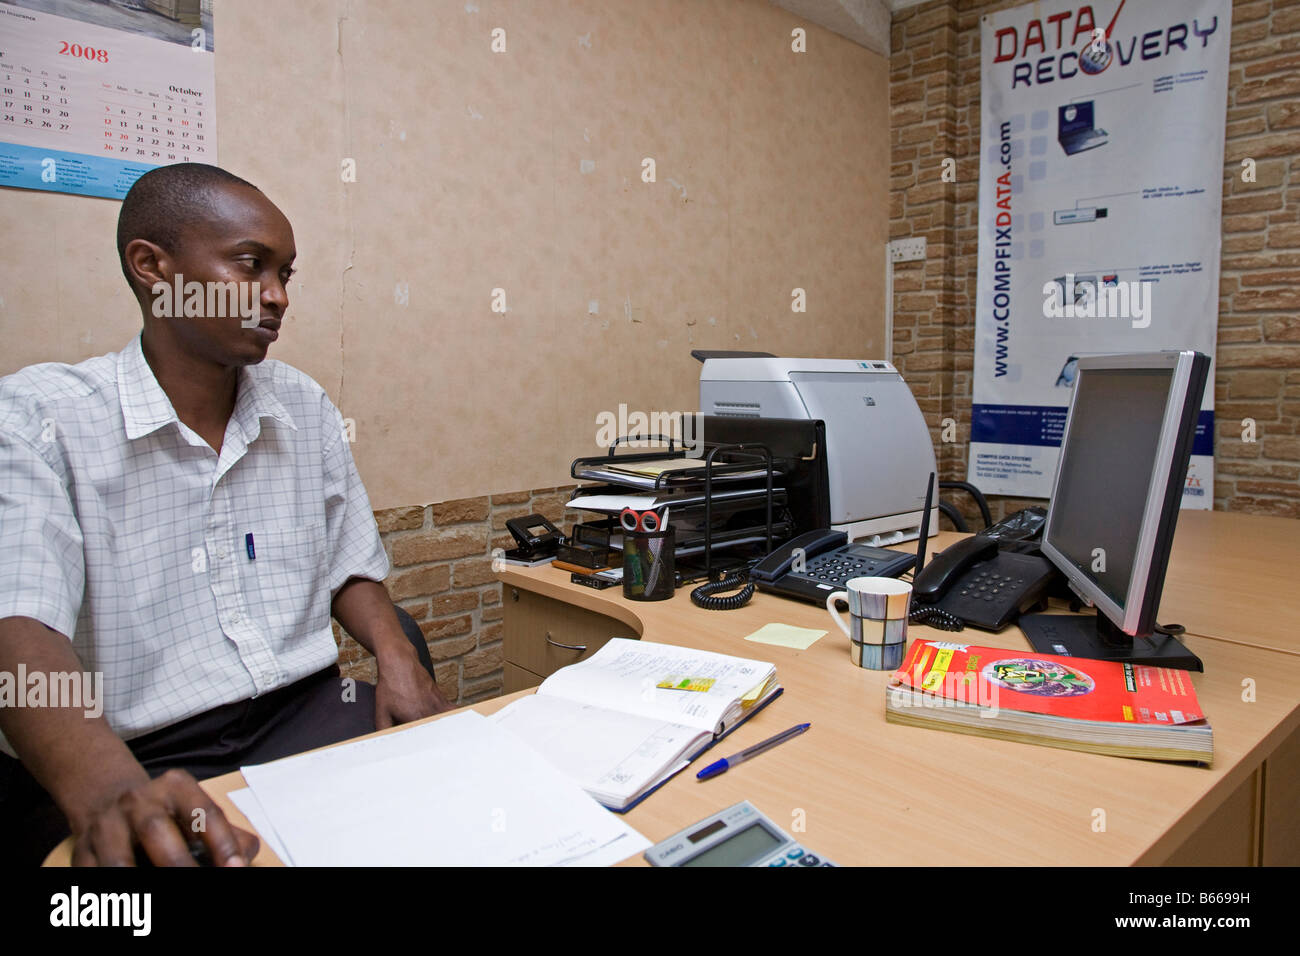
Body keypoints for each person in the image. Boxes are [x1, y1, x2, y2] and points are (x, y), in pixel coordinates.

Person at [0, 163, 451, 866]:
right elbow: (19, 626)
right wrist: (110, 787)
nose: (275, 298)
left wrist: (396, 657)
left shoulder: (302, 406)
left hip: (303, 711)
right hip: (134, 754)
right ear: (152, 266)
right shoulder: (40, 419)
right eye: (251, 266)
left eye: (286, 275)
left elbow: (350, 568)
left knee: (448, 825)